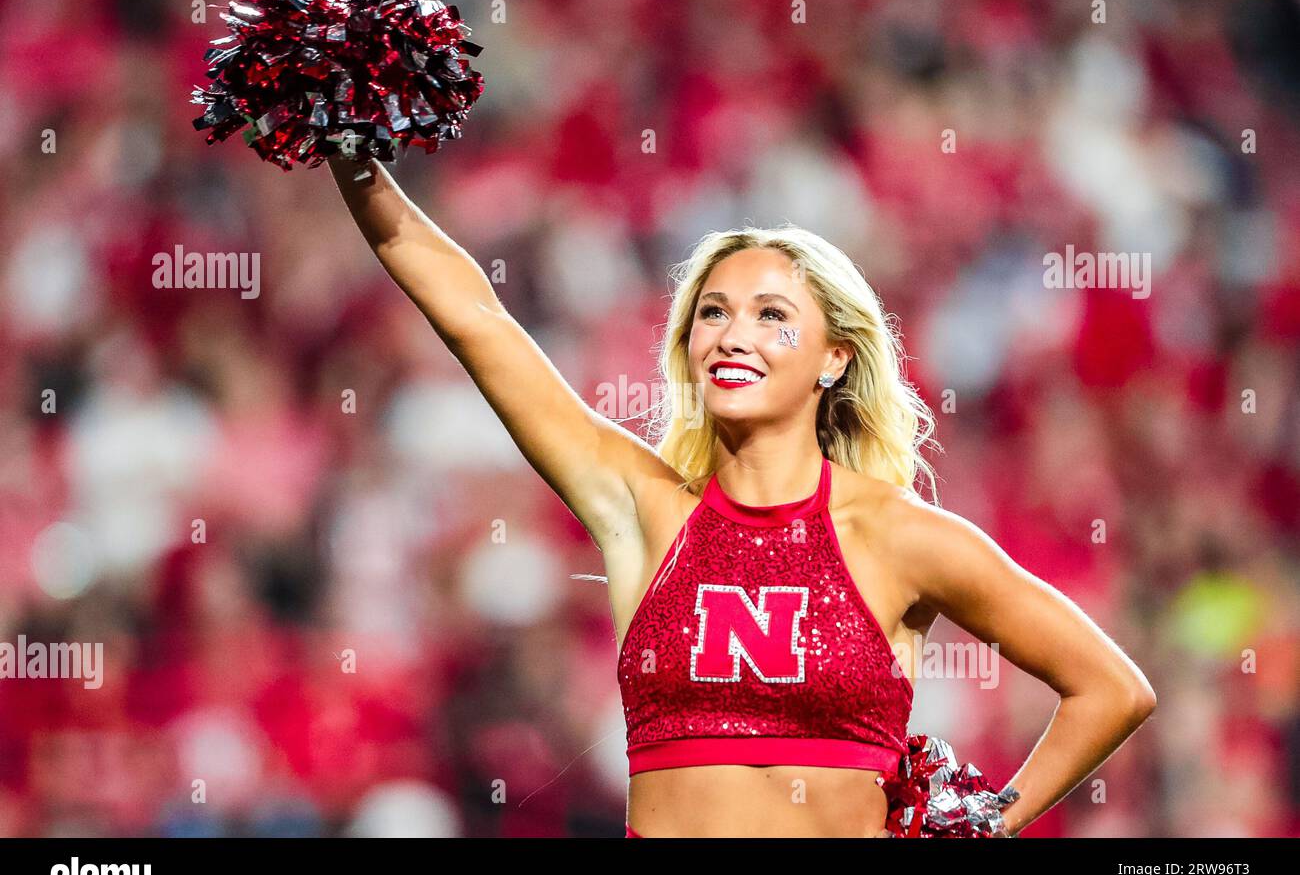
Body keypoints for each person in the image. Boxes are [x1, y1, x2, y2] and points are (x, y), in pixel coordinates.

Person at [327, 155, 1158, 838]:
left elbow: (1112, 690)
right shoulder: (643, 510)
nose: (734, 335)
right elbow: (476, 319)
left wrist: (981, 825)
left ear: (834, 358)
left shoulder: (901, 536)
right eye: (714, 312)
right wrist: (353, 156)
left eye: (771, 315)